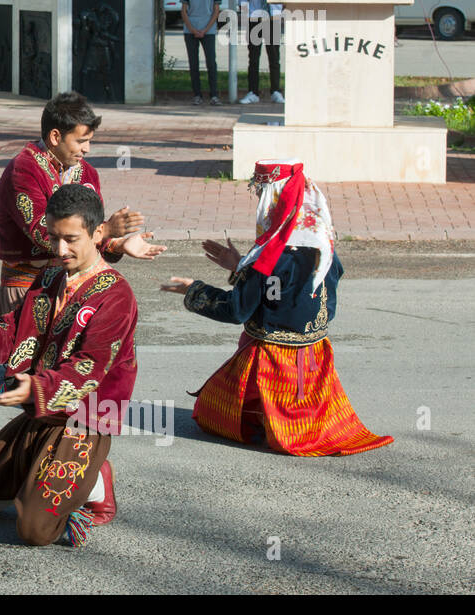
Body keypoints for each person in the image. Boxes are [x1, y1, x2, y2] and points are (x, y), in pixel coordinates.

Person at [0, 184, 140, 549]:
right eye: (54, 238)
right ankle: (38, 477)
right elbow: (16, 330)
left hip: (84, 420)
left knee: (34, 531)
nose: (60, 249)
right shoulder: (50, 277)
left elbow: (89, 368)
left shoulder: (117, 296)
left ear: (98, 234)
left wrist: (35, 389)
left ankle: (94, 482)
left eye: (70, 239)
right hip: (39, 413)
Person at [162, 159, 393, 456]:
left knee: (211, 414)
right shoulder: (324, 249)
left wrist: (194, 291)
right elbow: (314, 303)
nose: (259, 202)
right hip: (315, 357)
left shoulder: (268, 256)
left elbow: (238, 310)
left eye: (261, 195)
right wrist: (240, 268)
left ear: (273, 200)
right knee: (307, 420)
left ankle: (264, 420)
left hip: (268, 360)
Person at [0, 91, 164, 318]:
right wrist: (108, 230)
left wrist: (119, 243)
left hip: (73, 285)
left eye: (89, 141)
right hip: (28, 286)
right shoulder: (23, 170)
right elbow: (46, 235)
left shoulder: (88, 174)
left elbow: (89, 231)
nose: (87, 149)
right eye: (81, 141)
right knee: (26, 353)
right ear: (55, 137)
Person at [237, 0, 288, 105]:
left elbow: (286, 2)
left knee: (274, 58)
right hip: (255, 21)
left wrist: (278, 16)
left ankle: (276, 91)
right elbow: (243, 3)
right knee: (253, 58)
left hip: (272, 20)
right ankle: (253, 92)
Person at [181, 0, 222, 106]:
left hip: (208, 30)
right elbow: (184, 11)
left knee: (211, 62)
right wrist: (192, 29)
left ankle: (214, 95)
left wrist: (205, 29)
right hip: (191, 30)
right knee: (193, 63)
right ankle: (197, 94)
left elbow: (216, 11)